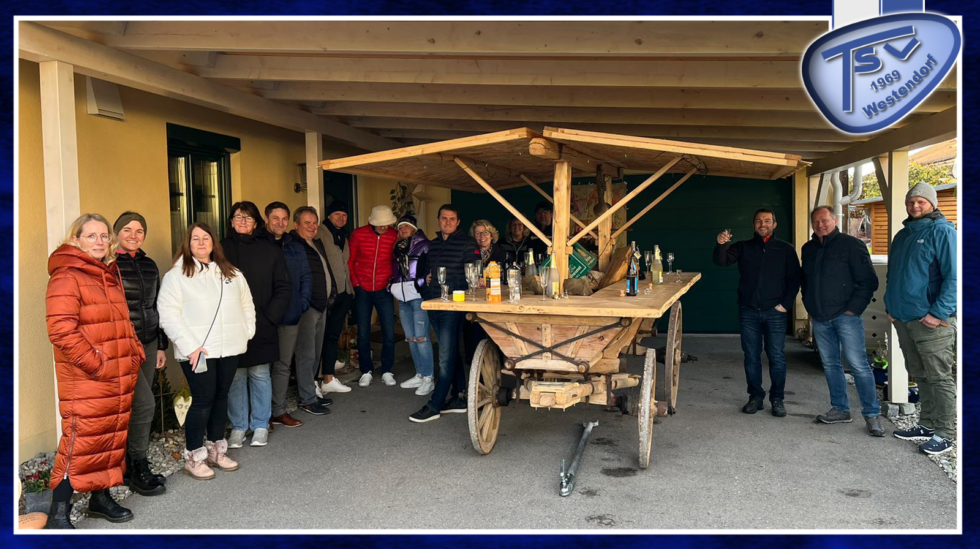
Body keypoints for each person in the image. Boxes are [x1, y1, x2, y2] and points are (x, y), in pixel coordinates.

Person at [44, 213, 146, 528]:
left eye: (104, 236)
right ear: (75, 239)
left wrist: (134, 353)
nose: (100, 242)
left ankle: (100, 499)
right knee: (78, 442)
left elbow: (122, 322)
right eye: (91, 236)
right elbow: (61, 331)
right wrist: (97, 364)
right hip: (88, 379)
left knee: (109, 437)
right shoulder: (66, 276)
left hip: (117, 375)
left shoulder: (107, 273)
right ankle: (57, 513)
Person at [158, 223, 255, 480]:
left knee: (221, 396)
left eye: (206, 238)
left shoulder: (231, 273)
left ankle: (215, 449)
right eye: (195, 239)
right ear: (187, 244)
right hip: (197, 352)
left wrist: (247, 332)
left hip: (230, 347)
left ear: (214, 242)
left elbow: (247, 303)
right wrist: (190, 346)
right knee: (202, 401)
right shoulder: (176, 276)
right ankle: (194, 456)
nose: (201, 243)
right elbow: (168, 314)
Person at [886, 182, 958, 456]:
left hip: (931, 321)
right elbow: (895, 274)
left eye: (921, 202)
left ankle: (945, 434)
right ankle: (926, 425)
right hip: (904, 319)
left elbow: (954, 276)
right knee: (922, 375)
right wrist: (890, 307)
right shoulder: (903, 235)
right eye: (910, 202)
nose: (915, 206)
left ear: (932, 203)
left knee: (939, 377)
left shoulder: (942, 232)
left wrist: (938, 313)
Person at [801, 206, 883, 436]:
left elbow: (868, 281)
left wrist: (853, 310)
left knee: (858, 365)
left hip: (846, 316)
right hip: (820, 317)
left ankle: (872, 414)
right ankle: (840, 409)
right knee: (830, 365)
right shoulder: (808, 249)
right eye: (815, 221)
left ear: (834, 220)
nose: (820, 225)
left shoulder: (851, 245)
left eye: (824, 220)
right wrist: (810, 306)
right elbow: (806, 281)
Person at [713, 209, 801, 417]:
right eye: (759, 221)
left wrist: (786, 305)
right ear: (753, 225)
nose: (763, 224)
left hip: (775, 312)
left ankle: (777, 399)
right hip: (749, 311)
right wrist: (720, 244)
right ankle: (756, 397)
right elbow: (721, 260)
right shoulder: (743, 247)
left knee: (777, 357)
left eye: (767, 220)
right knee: (751, 356)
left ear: (774, 224)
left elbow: (794, 279)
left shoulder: (785, 249)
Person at [221, 202, 291, 449]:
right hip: (229, 324)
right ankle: (239, 426)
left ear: (256, 223)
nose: (242, 222)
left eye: (248, 218)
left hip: (263, 321)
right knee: (236, 376)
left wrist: (269, 316)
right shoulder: (220, 249)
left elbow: (283, 286)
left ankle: (261, 424)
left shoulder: (270, 249)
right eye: (238, 217)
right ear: (230, 221)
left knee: (260, 374)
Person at [113, 211, 169, 497]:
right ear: (117, 233)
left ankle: (127, 467)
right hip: (124, 346)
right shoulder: (109, 265)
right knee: (145, 405)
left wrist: (160, 345)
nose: (133, 235)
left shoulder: (149, 265)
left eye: (139, 231)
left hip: (148, 343)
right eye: (127, 230)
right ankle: (137, 466)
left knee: (136, 407)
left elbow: (155, 306)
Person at [409, 205, 481, 423]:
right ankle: (459, 397)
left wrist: (453, 284)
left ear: (458, 222)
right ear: (438, 220)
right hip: (434, 304)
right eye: (444, 218)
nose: (448, 222)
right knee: (449, 353)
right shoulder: (435, 244)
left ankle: (435, 404)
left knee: (445, 357)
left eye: (452, 219)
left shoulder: (468, 243)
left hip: (453, 306)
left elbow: (474, 275)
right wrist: (427, 280)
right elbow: (425, 273)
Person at [260, 202, 312, 429]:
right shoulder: (257, 243)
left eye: (284, 219)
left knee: (282, 365)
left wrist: (301, 304)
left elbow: (306, 277)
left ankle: (277, 411)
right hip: (263, 317)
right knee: (260, 367)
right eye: (275, 218)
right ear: (266, 219)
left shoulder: (294, 245)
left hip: (290, 315)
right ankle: (260, 416)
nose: (280, 223)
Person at [290, 207, 334, 416]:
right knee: (306, 354)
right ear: (296, 224)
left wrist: (331, 292)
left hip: (321, 305)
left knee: (315, 353)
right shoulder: (293, 245)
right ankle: (307, 399)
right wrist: (305, 303)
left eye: (314, 222)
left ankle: (312, 393)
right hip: (307, 308)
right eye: (306, 223)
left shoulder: (314, 243)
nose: (311, 226)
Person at [349, 205, 398, 387]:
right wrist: (356, 284)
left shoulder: (394, 235)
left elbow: (396, 260)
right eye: (381, 224)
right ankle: (366, 370)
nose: (384, 227)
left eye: (387, 224)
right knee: (363, 332)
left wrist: (392, 282)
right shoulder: (358, 234)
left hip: (384, 289)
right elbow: (350, 260)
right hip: (363, 289)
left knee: (388, 331)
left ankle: (387, 370)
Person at [389, 214, 435, 395]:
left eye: (406, 226)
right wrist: (390, 285)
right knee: (411, 338)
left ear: (414, 228)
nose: (402, 230)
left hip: (418, 296)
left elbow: (430, 270)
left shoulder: (425, 244)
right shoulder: (398, 248)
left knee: (422, 338)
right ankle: (420, 373)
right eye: (400, 228)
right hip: (402, 297)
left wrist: (420, 283)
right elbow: (396, 271)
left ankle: (429, 377)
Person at [317, 201, 355, 394]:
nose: (341, 218)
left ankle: (328, 377)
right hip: (326, 293)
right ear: (329, 216)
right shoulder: (320, 233)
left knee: (332, 335)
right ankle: (316, 380)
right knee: (319, 337)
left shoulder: (343, 235)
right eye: (337, 214)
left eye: (344, 215)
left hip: (343, 292)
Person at [465, 219, 506, 363]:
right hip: (475, 297)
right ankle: (475, 365)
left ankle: (496, 364)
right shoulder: (469, 252)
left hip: (496, 298)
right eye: (478, 233)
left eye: (485, 232)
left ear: (492, 234)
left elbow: (505, 275)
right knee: (474, 330)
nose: (482, 236)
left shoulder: (501, 252)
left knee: (495, 331)